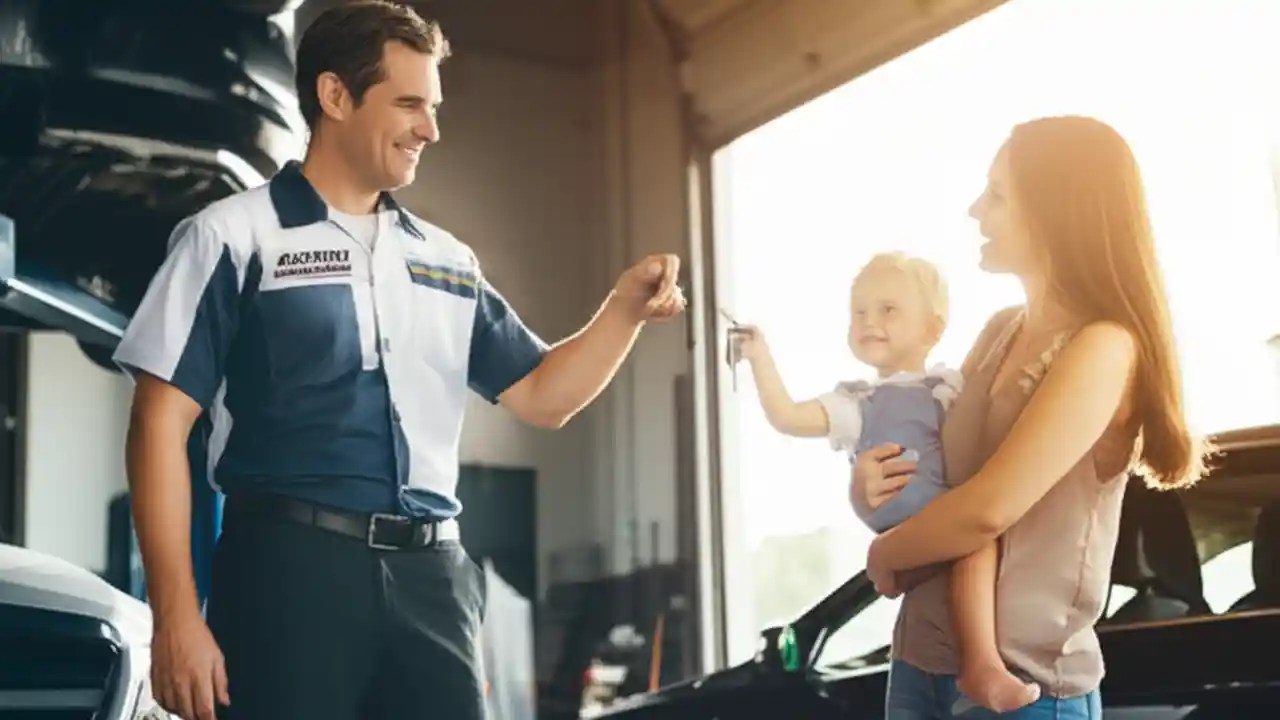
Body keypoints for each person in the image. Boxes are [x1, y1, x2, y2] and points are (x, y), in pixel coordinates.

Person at [113, 3, 685, 720]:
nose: (431, 129)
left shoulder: (447, 261)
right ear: (334, 96)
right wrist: (174, 616)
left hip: (434, 581)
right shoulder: (231, 237)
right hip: (290, 572)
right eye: (410, 103)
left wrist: (623, 309)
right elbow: (158, 425)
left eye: (434, 106)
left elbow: (544, 395)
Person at [857, 115, 1210, 719]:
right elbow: (939, 477)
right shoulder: (999, 330)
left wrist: (887, 554)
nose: (975, 210)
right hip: (919, 660)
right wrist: (868, 489)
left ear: (1055, 212)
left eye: (996, 195)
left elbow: (987, 509)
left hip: (1027, 689)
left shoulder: (1103, 347)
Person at [734, 251, 1036, 710]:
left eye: (888, 309)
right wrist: (759, 357)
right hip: (909, 525)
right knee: (973, 544)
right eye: (859, 311)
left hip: (939, 520)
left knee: (975, 540)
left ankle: (980, 660)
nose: (869, 321)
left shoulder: (947, 387)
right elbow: (788, 416)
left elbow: (985, 438)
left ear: (932, 330)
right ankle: (981, 662)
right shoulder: (857, 402)